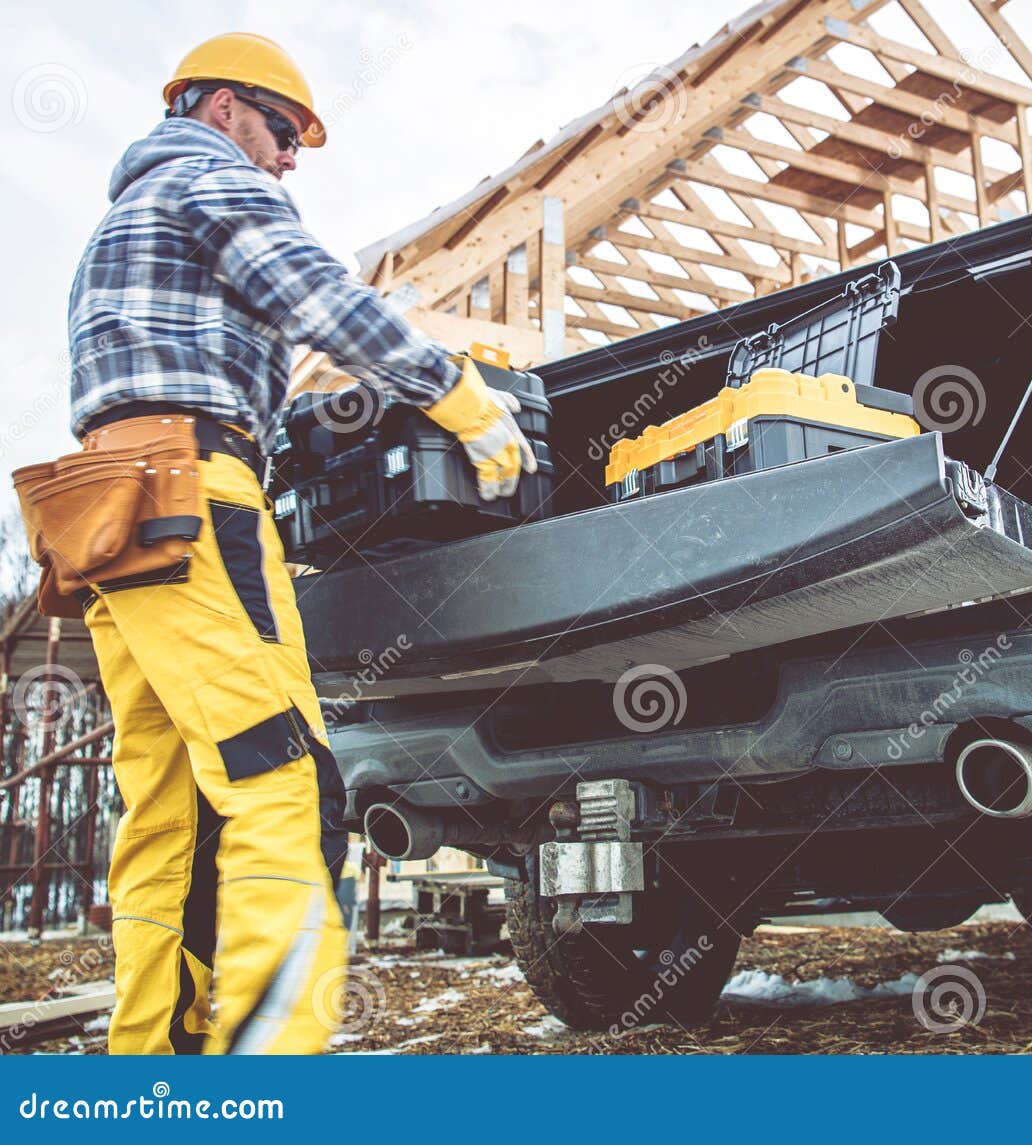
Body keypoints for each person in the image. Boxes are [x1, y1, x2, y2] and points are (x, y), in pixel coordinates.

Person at [66, 32, 534, 1054]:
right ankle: (270, 1073)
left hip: (108, 516)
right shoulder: (208, 178)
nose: (288, 158)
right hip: (191, 496)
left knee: (168, 816)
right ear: (224, 106)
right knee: (284, 780)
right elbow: (319, 294)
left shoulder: (126, 214)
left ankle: (154, 1072)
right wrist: (459, 397)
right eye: (283, 132)